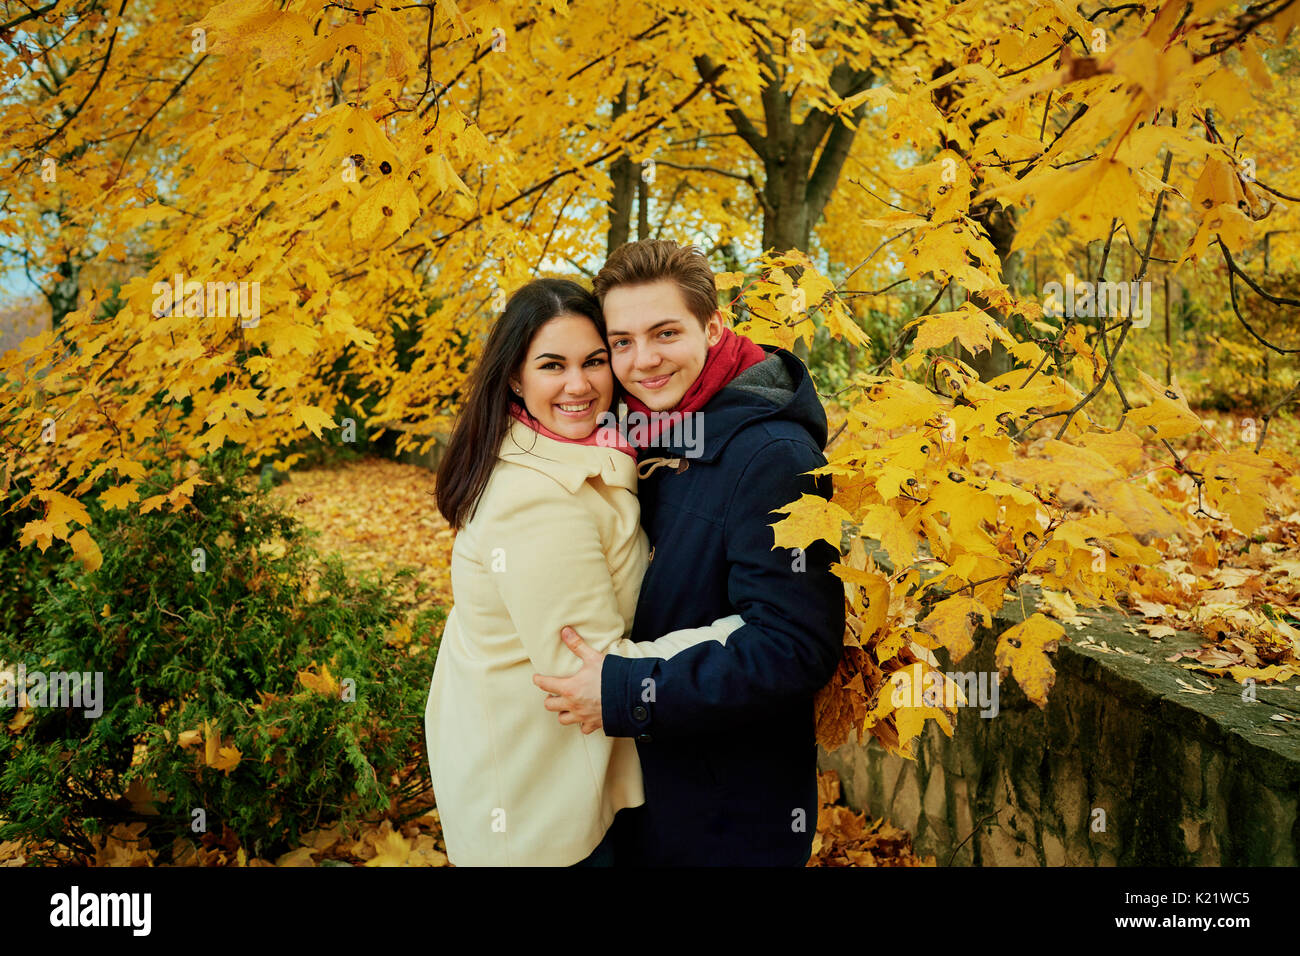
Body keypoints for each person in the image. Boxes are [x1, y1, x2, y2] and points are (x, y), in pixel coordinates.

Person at [533, 240, 847, 866]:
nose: (642, 361)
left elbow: (794, 647)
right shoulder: (658, 429)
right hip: (650, 786)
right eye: (621, 341)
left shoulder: (773, 457)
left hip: (725, 812)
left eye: (665, 333)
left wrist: (628, 691)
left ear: (712, 325)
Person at [423, 277, 742, 867]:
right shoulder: (533, 500)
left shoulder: (591, 450)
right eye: (552, 365)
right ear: (515, 377)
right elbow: (591, 674)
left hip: (565, 774)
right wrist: (740, 632)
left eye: (595, 361)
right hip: (538, 805)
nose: (580, 385)